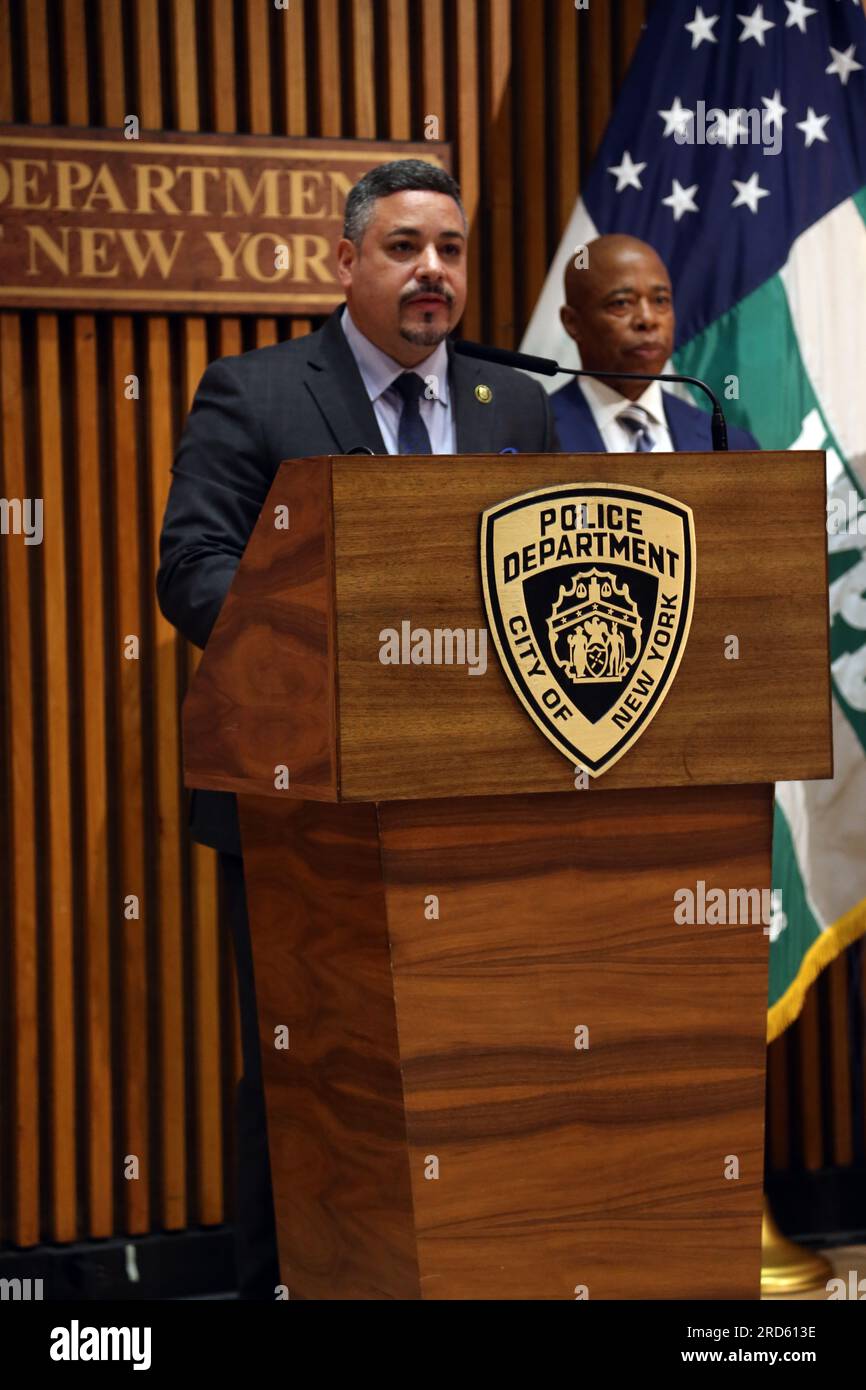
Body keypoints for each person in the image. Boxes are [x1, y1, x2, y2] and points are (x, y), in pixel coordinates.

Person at [155, 158, 557, 1300]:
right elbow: (192, 569)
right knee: (305, 1072)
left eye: (449, 249)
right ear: (343, 262)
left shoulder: (513, 403)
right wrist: (342, 657)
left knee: (462, 1060)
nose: (432, 271)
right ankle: (284, 1287)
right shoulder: (258, 391)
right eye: (402, 247)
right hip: (303, 802)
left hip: (470, 801)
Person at [550, 234, 759, 453]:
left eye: (660, 301)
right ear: (572, 323)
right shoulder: (534, 436)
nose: (648, 319)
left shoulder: (730, 444)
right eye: (621, 303)